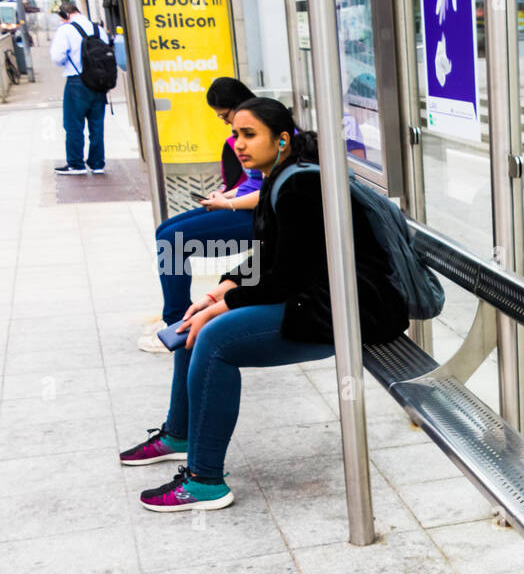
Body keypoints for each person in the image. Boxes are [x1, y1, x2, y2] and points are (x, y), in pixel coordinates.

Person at [118, 98, 410, 511]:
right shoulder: (281, 178)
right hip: (320, 297)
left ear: (282, 139)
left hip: (349, 310)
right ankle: (179, 434)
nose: (238, 143)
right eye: (235, 134)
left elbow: (285, 277)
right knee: (192, 324)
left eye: (249, 134)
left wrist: (222, 306)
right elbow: (270, 258)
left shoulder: (300, 186)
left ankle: (204, 481)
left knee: (213, 338)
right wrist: (221, 290)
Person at [138, 77, 262, 353]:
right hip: (245, 204)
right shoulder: (252, 130)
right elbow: (253, 183)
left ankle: (176, 322)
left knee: (172, 239)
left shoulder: (270, 133)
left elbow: (270, 190)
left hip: (260, 215)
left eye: (225, 116)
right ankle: (178, 318)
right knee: (165, 231)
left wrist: (228, 203)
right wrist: (224, 197)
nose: (234, 135)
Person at [49, 2, 108, 175]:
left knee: (73, 124)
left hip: (77, 81)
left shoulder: (66, 30)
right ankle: (97, 164)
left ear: (65, 15)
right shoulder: (98, 29)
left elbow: (57, 57)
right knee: (97, 125)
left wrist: (68, 61)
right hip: (100, 82)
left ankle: (76, 164)